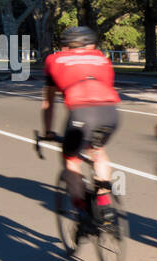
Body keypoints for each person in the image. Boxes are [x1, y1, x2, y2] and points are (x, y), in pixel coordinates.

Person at [40, 26, 121, 218]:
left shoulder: (54, 59)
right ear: (91, 45)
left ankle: (81, 209)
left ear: (65, 46)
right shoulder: (102, 58)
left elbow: (48, 102)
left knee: (71, 161)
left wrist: (48, 131)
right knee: (98, 152)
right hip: (111, 111)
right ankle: (104, 203)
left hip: (81, 113)